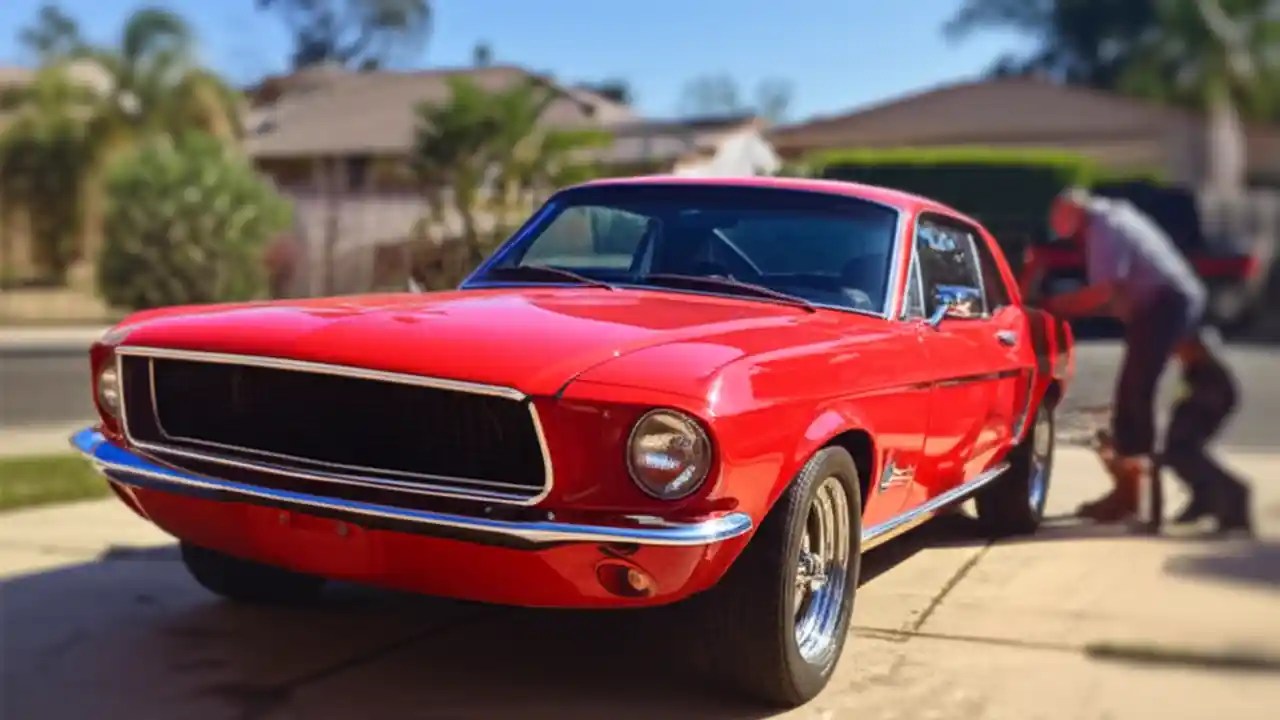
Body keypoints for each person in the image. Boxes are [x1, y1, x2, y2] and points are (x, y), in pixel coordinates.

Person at [1036, 188, 1208, 522]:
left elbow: (1105, 290)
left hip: (1166, 304)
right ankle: (1134, 488)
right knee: (1133, 394)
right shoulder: (1117, 213)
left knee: (1134, 394)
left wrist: (1054, 307)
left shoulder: (1102, 227)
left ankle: (1134, 492)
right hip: (1169, 301)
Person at [1162, 327, 1252, 533]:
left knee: (1184, 452)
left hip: (1211, 401)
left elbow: (1215, 396)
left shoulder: (1208, 370)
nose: (1176, 354)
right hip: (1202, 401)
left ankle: (1233, 497)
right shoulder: (1193, 367)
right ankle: (1204, 498)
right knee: (1178, 453)